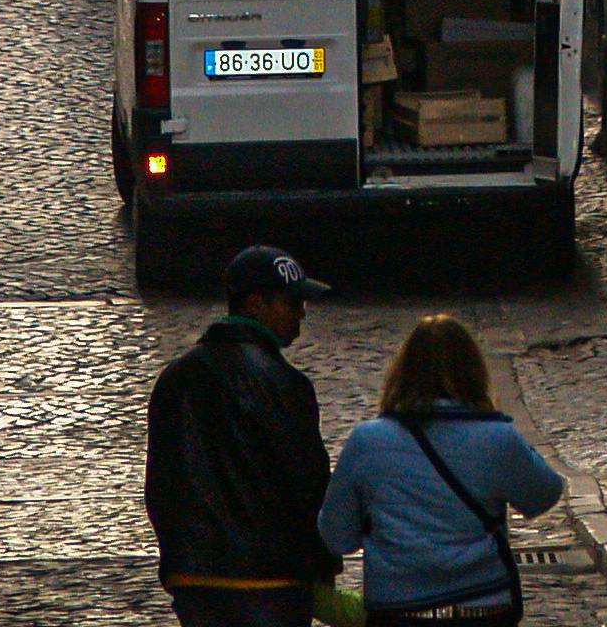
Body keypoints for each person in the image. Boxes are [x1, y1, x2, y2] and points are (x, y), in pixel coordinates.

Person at [318, 317, 561, 627]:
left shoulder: (367, 441)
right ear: (474, 372)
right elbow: (544, 494)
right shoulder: (496, 437)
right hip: (484, 608)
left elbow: (337, 537)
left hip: (399, 611)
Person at [145, 244, 338, 627]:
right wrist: (322, 564)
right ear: (256, 303)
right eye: (292, 302)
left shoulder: (176, 378)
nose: (301, 313)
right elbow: (307, 484)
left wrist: (178, 558)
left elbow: (162, 485)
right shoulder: (287, 384)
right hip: (271, 578)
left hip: (197, 576)